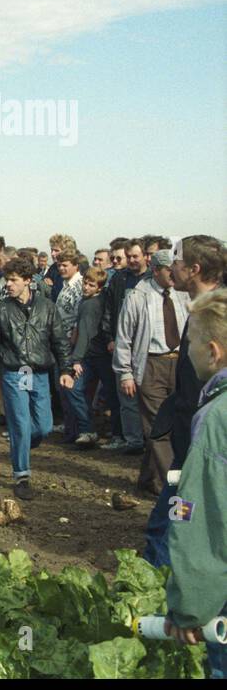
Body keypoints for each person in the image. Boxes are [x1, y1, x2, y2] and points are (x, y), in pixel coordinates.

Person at [143, 235, 227, 567]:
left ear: (193, 269)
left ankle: (164, 592)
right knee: (174, 521)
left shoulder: (216, 320)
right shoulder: (200, 311)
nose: (170, 268)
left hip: (199, 451)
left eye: (176, 262)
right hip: (188, 446)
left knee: (170, 526)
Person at [162, 288, 227, 679]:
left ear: (213, 351)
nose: (185, 353)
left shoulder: (216, 418)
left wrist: (190, 606)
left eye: (189, 344)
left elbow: (200, 514)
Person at [0, 256, 70, 499]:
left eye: (13, 280)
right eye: (7, 280)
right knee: (21, 424)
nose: (8, 285)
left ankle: (23, 443)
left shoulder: (47, 307)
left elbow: (60, 341)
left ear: (28, 281)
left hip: (39, 373)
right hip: (14, 373)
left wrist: (66, 370)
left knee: (44, 426)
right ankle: (22, 475)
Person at [114, 249, 190, 496]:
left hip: (179, 364)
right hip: (151, 366)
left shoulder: (182, 294)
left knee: (176, 423)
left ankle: (148, 479)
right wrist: (125, 373)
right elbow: (124, 337)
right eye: (170, 270)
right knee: (158, 427)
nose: (174, 275)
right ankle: (170, 487)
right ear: (156, 271)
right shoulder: (138, 296)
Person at [100, 239, 147, 453]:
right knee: (126, 394)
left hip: (146, 343)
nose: (131, 261)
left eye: (135, 256)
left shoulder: (151, 279)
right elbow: (109, 310)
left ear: (145, 256)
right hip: (122, 341)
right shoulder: (120, 279)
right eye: (129, 257)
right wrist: (110, 337)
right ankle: (133, 440)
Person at [62, 266, 110, 448]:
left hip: (92, 355)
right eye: (85, 283)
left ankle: (87, 429)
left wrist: (75, 359)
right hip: (98, 354)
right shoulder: (93, 300)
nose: (86, 287)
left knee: (74, 388)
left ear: (99, 287)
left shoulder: (89, 305)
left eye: (91, 285)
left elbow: (85, 334)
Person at [53, 249, 86, 441]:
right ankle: (70, 428)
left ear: (76, 265)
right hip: (61, 341)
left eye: (66, 265)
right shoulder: (65, 285)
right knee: (63, 389)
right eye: (59, 265)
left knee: (72, 388)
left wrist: (72, 345)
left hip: (69, 344)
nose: (62, 268)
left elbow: (77, 319)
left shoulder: (79, 286)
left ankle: (81, 430)